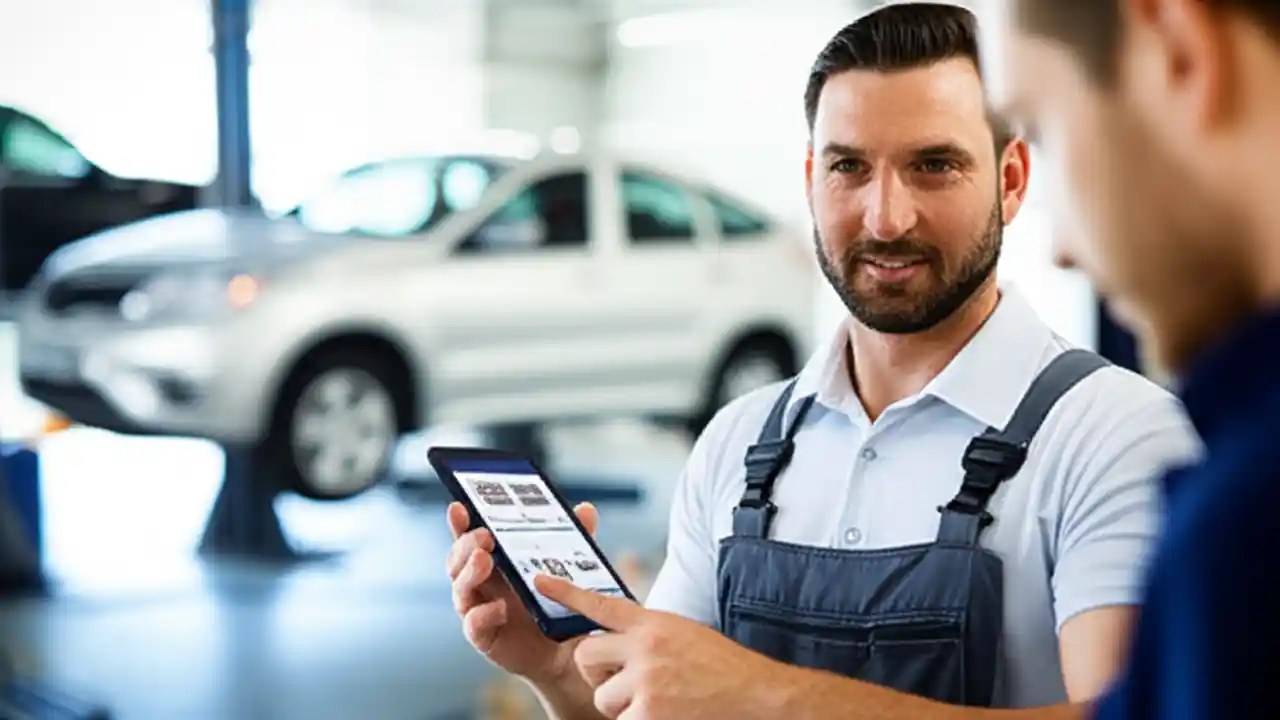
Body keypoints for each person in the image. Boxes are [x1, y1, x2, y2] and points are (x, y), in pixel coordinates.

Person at [445, 3, 1205, 718]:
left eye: (934, 165)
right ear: (811, 179)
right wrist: (560, 674)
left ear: (1010, 182)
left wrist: (765, 696)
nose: (886, 218)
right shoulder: (736, 444)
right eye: (849, 167)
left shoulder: (1117, 439)